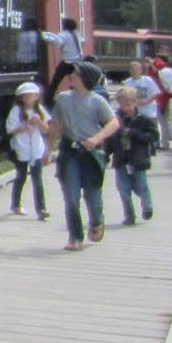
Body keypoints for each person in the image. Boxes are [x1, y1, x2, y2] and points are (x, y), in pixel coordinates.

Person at [49, 61, 119, 252]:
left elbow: (113, 123)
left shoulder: (97, 101)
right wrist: (47, 151)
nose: (71, 77)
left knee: (92, 194)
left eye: (76, 75)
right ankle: (75, 237)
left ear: (86, 79)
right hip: (70, 152)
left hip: (91, 153)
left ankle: (97, 221)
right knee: (71, 196)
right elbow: (56, 124)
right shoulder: (63, 99)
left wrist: (96, 139)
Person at [107, 86, 157, 225]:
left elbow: (154, 136)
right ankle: (129, 215)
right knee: (123, 189)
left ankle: (147, 207)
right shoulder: (115, 120)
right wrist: (106, 154)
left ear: (135, 102)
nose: (125, 108)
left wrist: (133, 133)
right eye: (122, 105)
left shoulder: (144, 120)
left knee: (141, 186)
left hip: (138, 158)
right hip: (121, 159)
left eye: (128, 105)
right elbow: (109, 139)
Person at [6, 82, 50, 220]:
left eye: (30, 95)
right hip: (21, 148)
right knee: (21, 176)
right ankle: (16, 204)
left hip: (36, 149)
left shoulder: (40, 110)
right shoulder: (16, 111)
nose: (27, 98)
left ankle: (41, 208)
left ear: (36, 96)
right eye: (24, 96)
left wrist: (38, 122)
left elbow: (46, 129)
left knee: (37, 179)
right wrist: (27, 124)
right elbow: (11, 130)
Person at [41, 17, 83, 104]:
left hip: (67, 62)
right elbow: (57, 36)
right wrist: (47, 33)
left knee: (55, 81)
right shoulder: (76, 34)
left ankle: (48, 99)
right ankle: (76, 98)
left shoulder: (64, 34)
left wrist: (44, 37)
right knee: (75, 81)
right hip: (77, 62)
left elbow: (57, 42)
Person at [152, 51, 172, 151]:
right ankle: (161, 142)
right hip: (163, 97)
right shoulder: (166, 70)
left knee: (163, 121)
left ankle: (164, 142)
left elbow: (166, 84)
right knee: (162, 121)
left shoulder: (165, 71)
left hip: (164, 98)